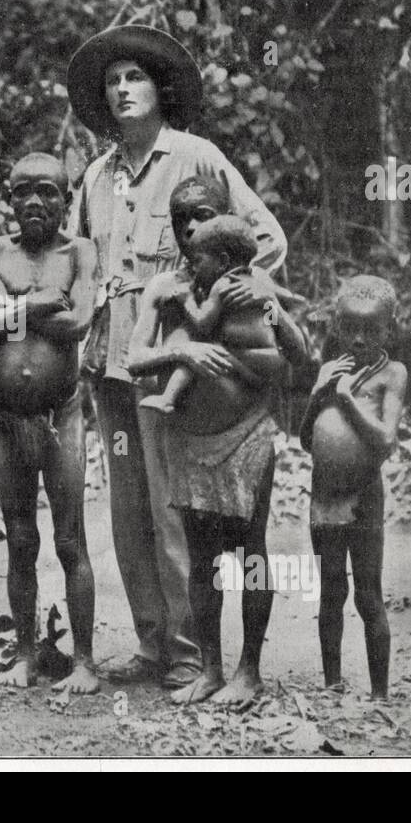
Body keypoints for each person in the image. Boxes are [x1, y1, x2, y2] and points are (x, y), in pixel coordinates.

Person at [67, 25, 304, 689]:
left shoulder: (195, 158)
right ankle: (150, 645)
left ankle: (188, 653)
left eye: (134, 78)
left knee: (174, 509)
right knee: (127, 510)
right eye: (113, 82)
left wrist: (227, 313)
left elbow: (265, 239)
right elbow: (78, 266)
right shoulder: (95, 177)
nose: (122, 90)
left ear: (159, 89)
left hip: (178, 360)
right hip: (114, 360)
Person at [126, 186, 289, 705]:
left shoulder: (251, 284)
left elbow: (295, 354)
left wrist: (273, 314)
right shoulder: (164, 288)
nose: (190, 229)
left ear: (222, 223)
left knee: (251, 551)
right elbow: (133, 359)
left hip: (247, 433)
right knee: (202, 560)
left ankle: (250, 671)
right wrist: (190, 352)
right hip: (190, 439)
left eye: (203, 217)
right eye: (181, 220)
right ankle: (211, 668)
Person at [0, 152, 101, 694]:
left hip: (59, 416)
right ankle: (26, 655)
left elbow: (81, 321)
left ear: (66, 201)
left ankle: (85, 661)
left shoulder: (80, 251)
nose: (36, 201)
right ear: (9, 198)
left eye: (48, 191)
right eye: (24, 191)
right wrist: (40, 304)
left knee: (70, 540)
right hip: (5, 416)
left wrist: (10, 309)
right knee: (21, 539)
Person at [299, 276, 408, 700]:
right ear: (337, 327)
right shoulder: (333, 370)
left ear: (389, 330)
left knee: (367, 595)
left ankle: (380, 694)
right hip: (324, 497)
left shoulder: (392, 374)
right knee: (331, 592)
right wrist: (319, 392)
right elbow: (307, 439)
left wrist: (344, 398)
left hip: (364, 497)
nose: (359, 338)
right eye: (350, 327)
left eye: (372, 329)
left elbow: (384, 440)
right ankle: (333, 684)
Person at [138, 214, 277, 414]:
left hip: (239, 360)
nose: (194, 268)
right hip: (259, 365)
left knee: (199, 350)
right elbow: (272, 319)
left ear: (223, 261)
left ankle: (168, 398)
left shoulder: (222, 286)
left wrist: (187, 300)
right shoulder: (257, 281)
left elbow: (203, 323)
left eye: (198, 261)